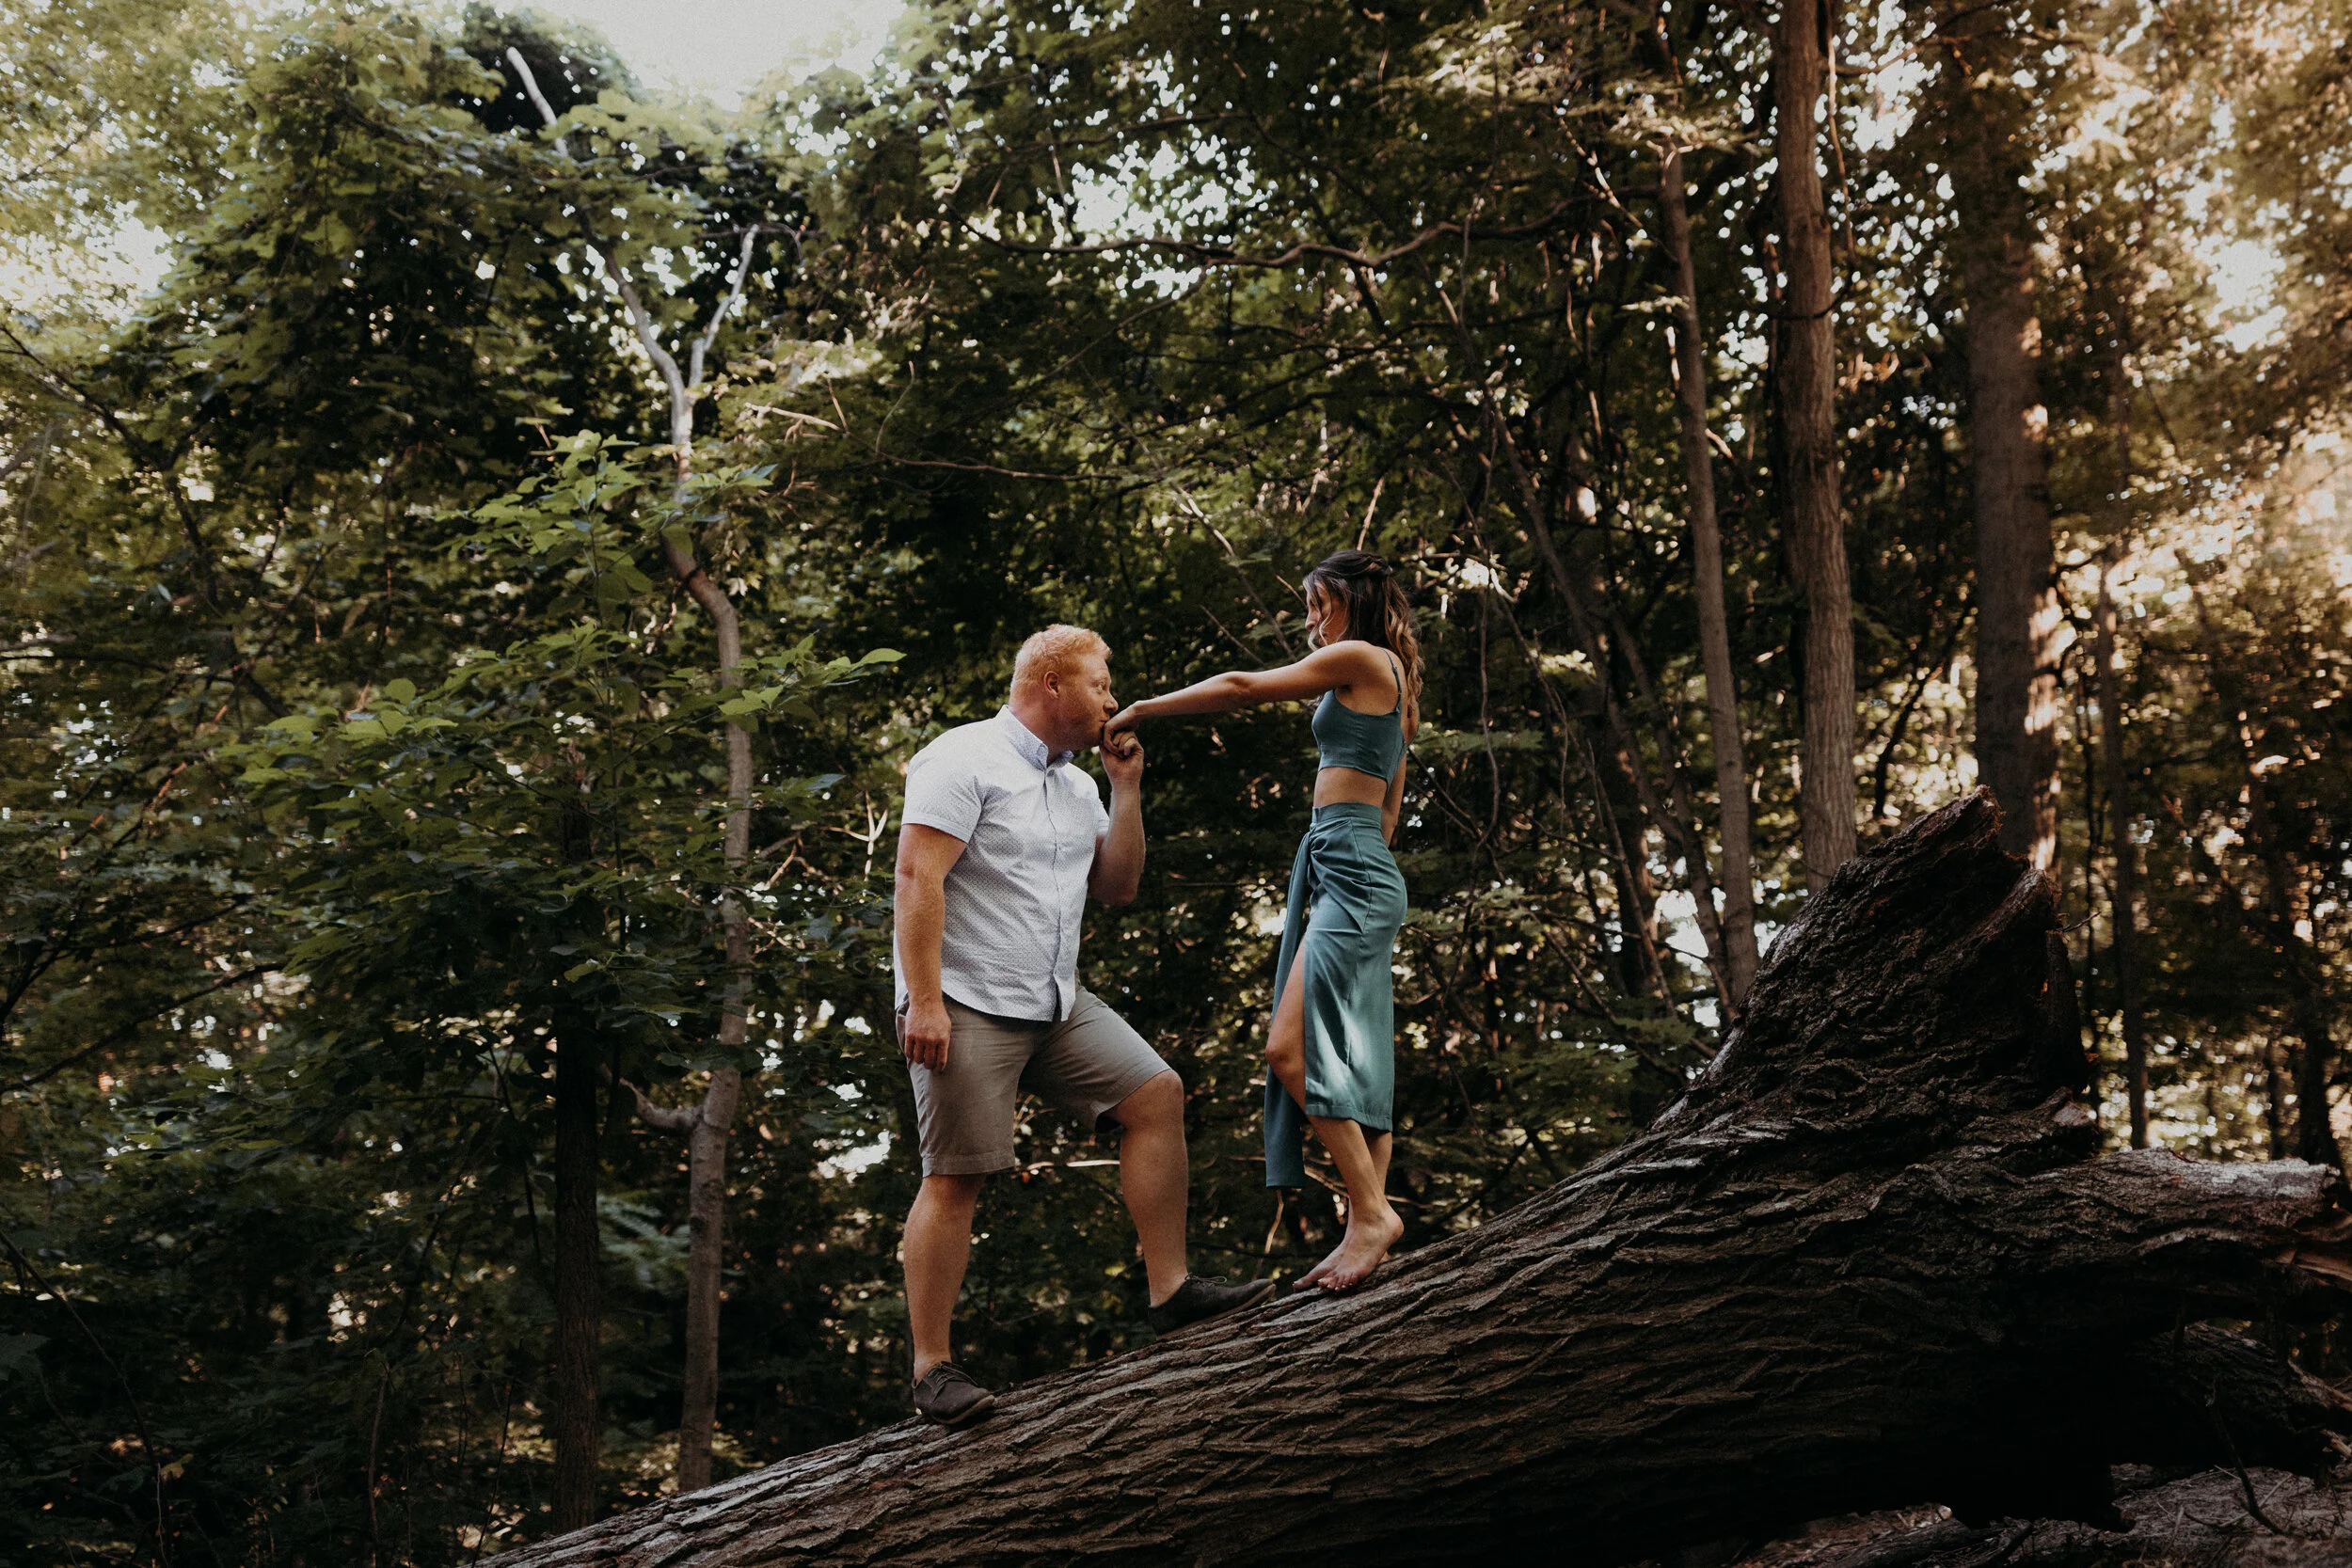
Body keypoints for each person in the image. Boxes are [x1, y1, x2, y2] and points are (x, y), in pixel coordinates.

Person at [893, 625, 1274, 1429]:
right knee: (957, 1175)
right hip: (965, 998)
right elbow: (917, 876)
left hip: (1057, 1002)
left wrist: (1126, 788)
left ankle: (1170, 1291)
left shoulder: (1076, 785)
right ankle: (931, 1368)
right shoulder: (961, 759)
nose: (1111, 696)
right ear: (1053, 685)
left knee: (1155, 1092)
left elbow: (1119, 886)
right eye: (1100, 682)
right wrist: (924, 1001)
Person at [1104, 549, 1418, 1293]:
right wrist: (1352, 856)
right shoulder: (1394, 683)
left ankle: (1372, 1214)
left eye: (1318, 604)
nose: (1311, 621)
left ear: (1349, 599)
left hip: (1355, 874)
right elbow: (1392, 807)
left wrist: (1145, 708)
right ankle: (1363, 1224)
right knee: (1358, 1055)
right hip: (1355, 869)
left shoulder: (1363, 657)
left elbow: (1244, 687)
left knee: (1289, 1048)